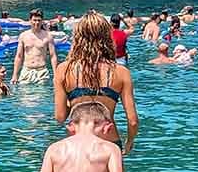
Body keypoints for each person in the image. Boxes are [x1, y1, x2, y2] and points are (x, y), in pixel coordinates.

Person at [54, 10, 138, 154]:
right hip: (109, 142)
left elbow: (60, 117)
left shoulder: (63, 69)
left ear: (78, 37)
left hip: (76, 143)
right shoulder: (121, 72)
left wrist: (74, 99)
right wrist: (129, 141)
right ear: (107, 36)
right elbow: (133, 121)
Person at [11, 10, 58, 84]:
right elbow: (19, 56)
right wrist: (15, 75)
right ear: (30, 21)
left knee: (41, 94)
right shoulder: (23, 36)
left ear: (42, 21)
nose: (37, 23)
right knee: (25, 94)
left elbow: (53, 56)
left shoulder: (48, 36)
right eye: (34, 20)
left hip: (41, 71)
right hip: (26, 70)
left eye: (39, 20)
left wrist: (56, 75)